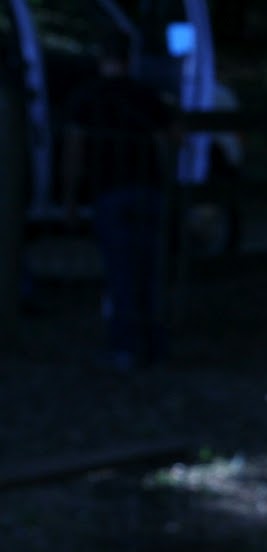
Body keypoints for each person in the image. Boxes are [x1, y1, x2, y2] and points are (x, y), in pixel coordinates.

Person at [60, 34, 175, 370]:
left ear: (101, 60)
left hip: (110, 192)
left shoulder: (87, 98)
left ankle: (126, 347)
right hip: (148, 189)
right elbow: (171, 137)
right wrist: (166, 179)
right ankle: (155, 345)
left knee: (120, 273)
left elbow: (73, 150)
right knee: (150, 271)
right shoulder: (147, 96)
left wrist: (69, 199)